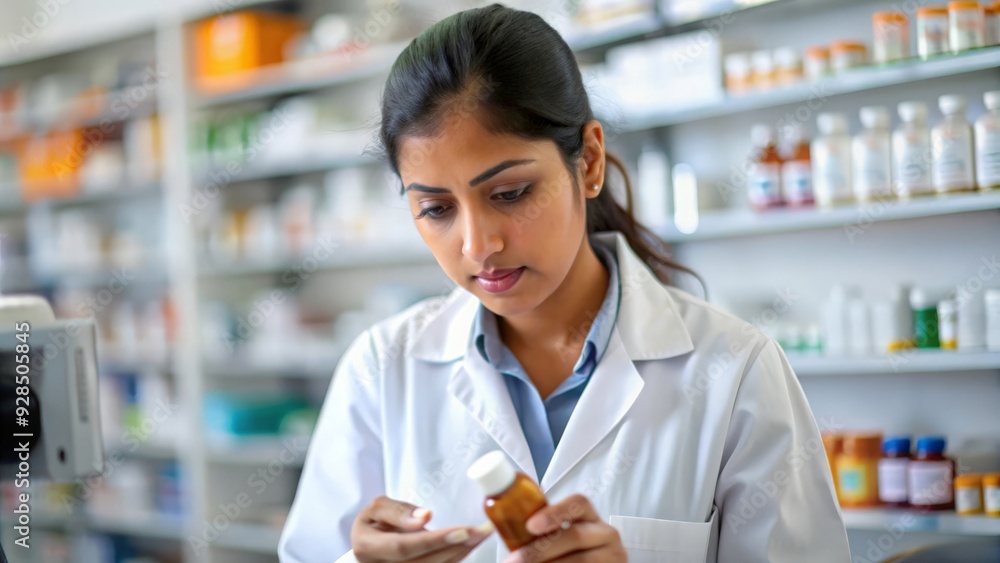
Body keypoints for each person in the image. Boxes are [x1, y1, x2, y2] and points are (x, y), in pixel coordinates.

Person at [278, 4, 850, 562]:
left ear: (591, 161)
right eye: (436, 208)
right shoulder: (381, 370)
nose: (478, 245)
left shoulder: (735, 372)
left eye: (510, 193)